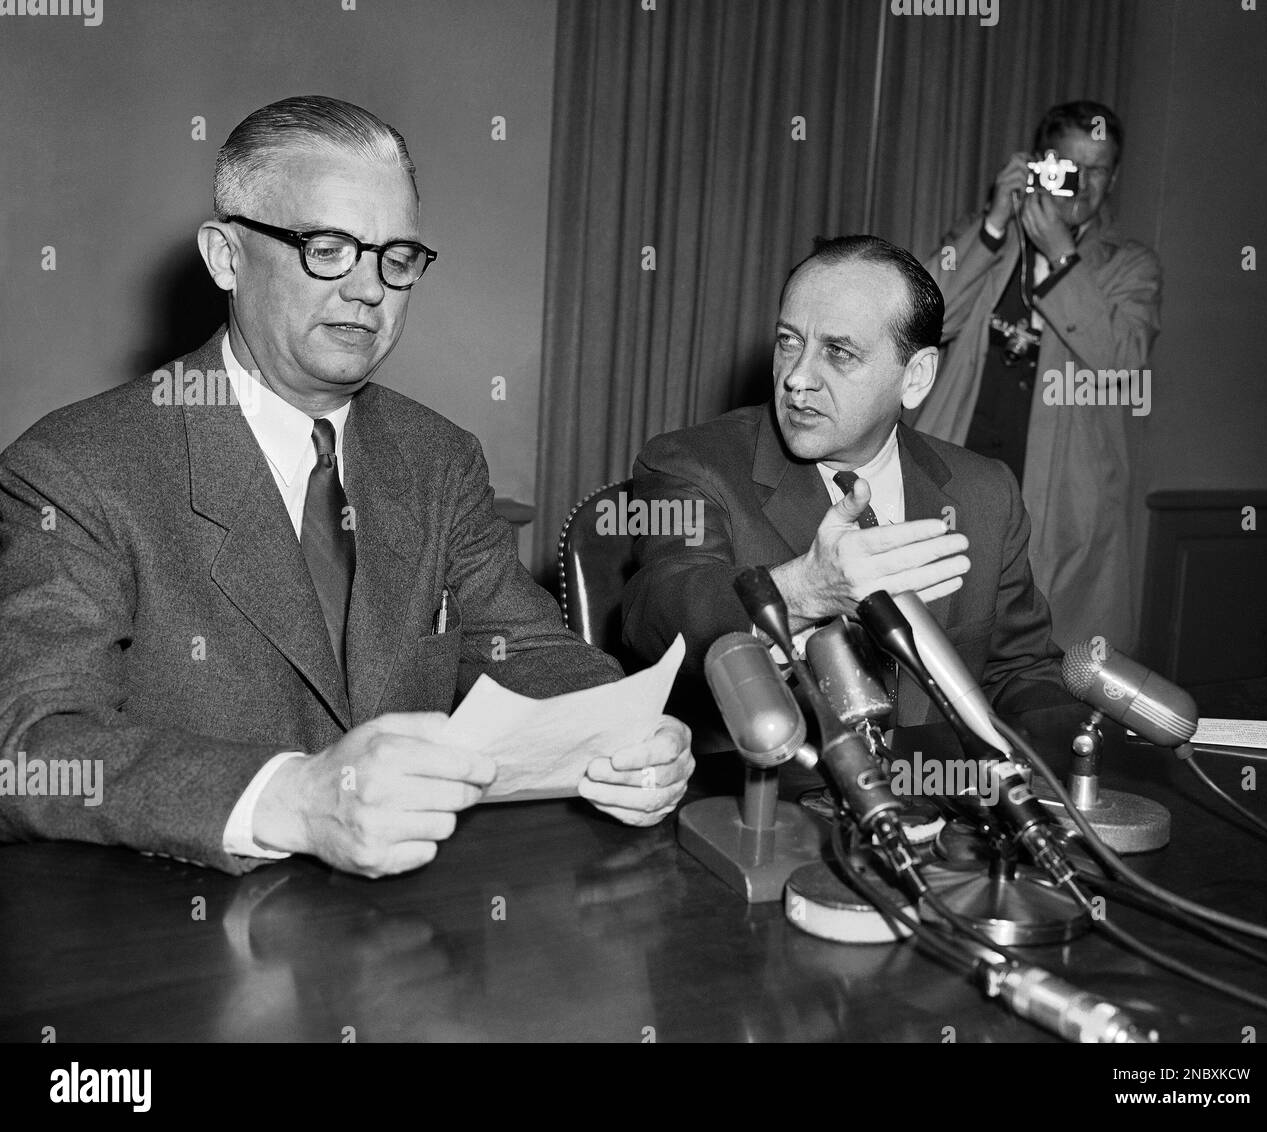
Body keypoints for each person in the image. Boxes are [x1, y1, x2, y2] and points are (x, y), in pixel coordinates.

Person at [0, 95, 693, 878]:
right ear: (226, 256)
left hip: (407, 932)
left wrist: (621, 732)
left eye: (396, 257)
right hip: (181, 932)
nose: (369, 289)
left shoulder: (439, 458)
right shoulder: (75, 466)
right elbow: (30, 746)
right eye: (328, 246)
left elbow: (524, 647)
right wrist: (292, 799)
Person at [622, 234, 1069, 733]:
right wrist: (802, 591)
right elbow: (657, 615)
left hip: (939, 791)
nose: (797, 377)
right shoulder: (693, 462)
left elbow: (1021, 671)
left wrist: (1073, 752)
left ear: (916, 377)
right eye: (789, 341)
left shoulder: (984, 492)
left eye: (838, 352)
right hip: (769, 794)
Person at [912, 101, 1161, 651]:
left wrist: (1063, 259)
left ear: (1114, 177)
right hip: (960, 476)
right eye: (1069, 166)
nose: (1082, 183)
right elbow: (923, 317)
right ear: (1039, 165)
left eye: (1098, 170)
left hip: (1062, 501)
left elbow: (1123, 366)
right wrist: (994, 224)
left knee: (1047, 662)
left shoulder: (1129, 264)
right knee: (936, 642)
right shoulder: (993, 242)